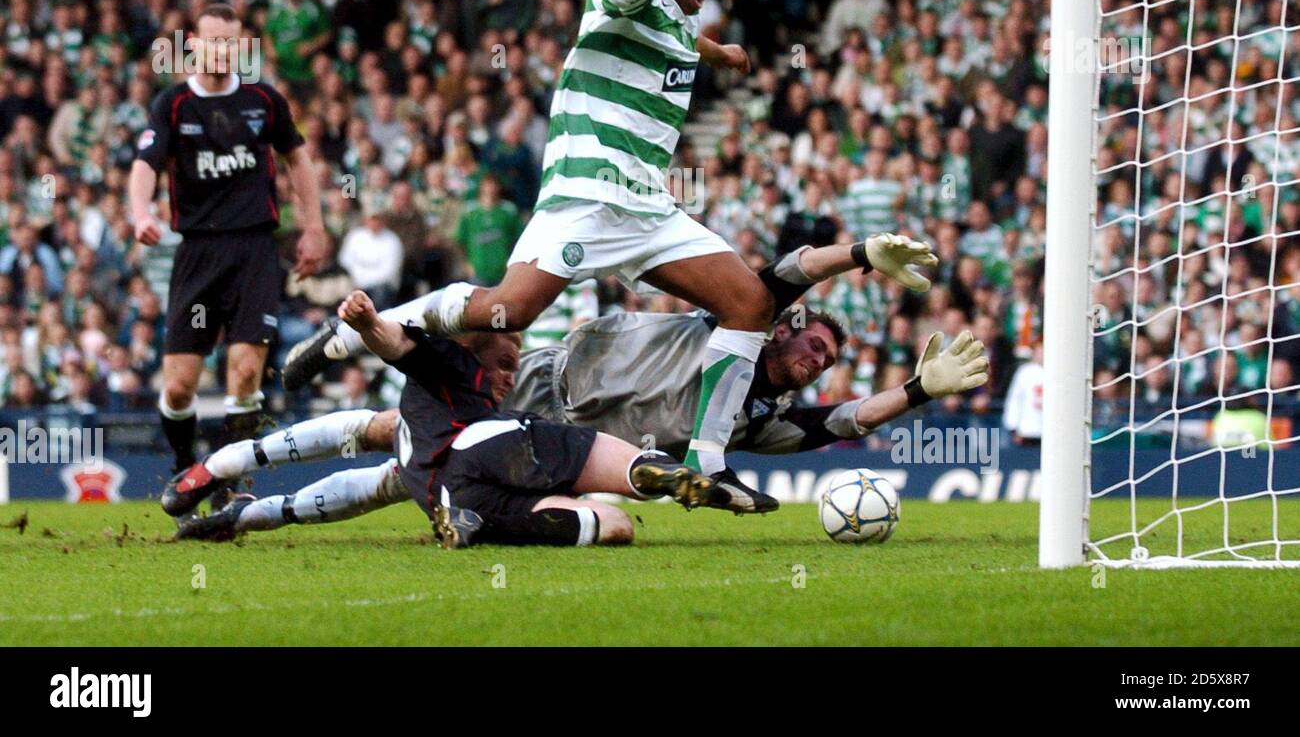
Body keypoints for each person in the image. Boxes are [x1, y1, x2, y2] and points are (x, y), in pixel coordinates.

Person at [286, 0, 798, 512]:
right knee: (509, 310)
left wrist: (721, 53)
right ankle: (352, 330)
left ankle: (707, 464)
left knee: (750, 303)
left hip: (649, 208)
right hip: (585, 193)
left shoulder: (680, 21)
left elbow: (682, 38)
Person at [165, 240, 990, 535]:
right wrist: (853, 254)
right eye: (809, 338)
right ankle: (331, 350)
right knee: (406, 412)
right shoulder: (733, 318)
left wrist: (917, 389)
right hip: (544, 371)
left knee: (402, 469)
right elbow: (784, 272)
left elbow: (838, 424)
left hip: (558, 443)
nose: (814, 357)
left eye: (824, 356)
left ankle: (239, 504)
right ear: (782, 329)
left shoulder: (751, 416)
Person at [171, 290, 725, 549]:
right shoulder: (454, 366)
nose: (511, 374)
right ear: (476, 349)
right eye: (504, 362)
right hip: (445, 467)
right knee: (381, 438)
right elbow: (396, 342)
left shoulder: (474, 394)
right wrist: (366, 324)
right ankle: (230, 477)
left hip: (435, 470)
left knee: (385, 447)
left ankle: (239, 498)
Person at [128, 3, 327, 474]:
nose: (221, 50)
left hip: (254, 248)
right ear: (193, 45)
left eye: (230, 41)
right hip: (197, 250)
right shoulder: (172, 104)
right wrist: (139, 213)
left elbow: (297, 159)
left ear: (241, 46)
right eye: (212, 40)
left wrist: (313, 226)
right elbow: (144, 166)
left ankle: (233, 484)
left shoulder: (264, 100)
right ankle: (184, 467)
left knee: (243, 372)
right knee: (179, 386)